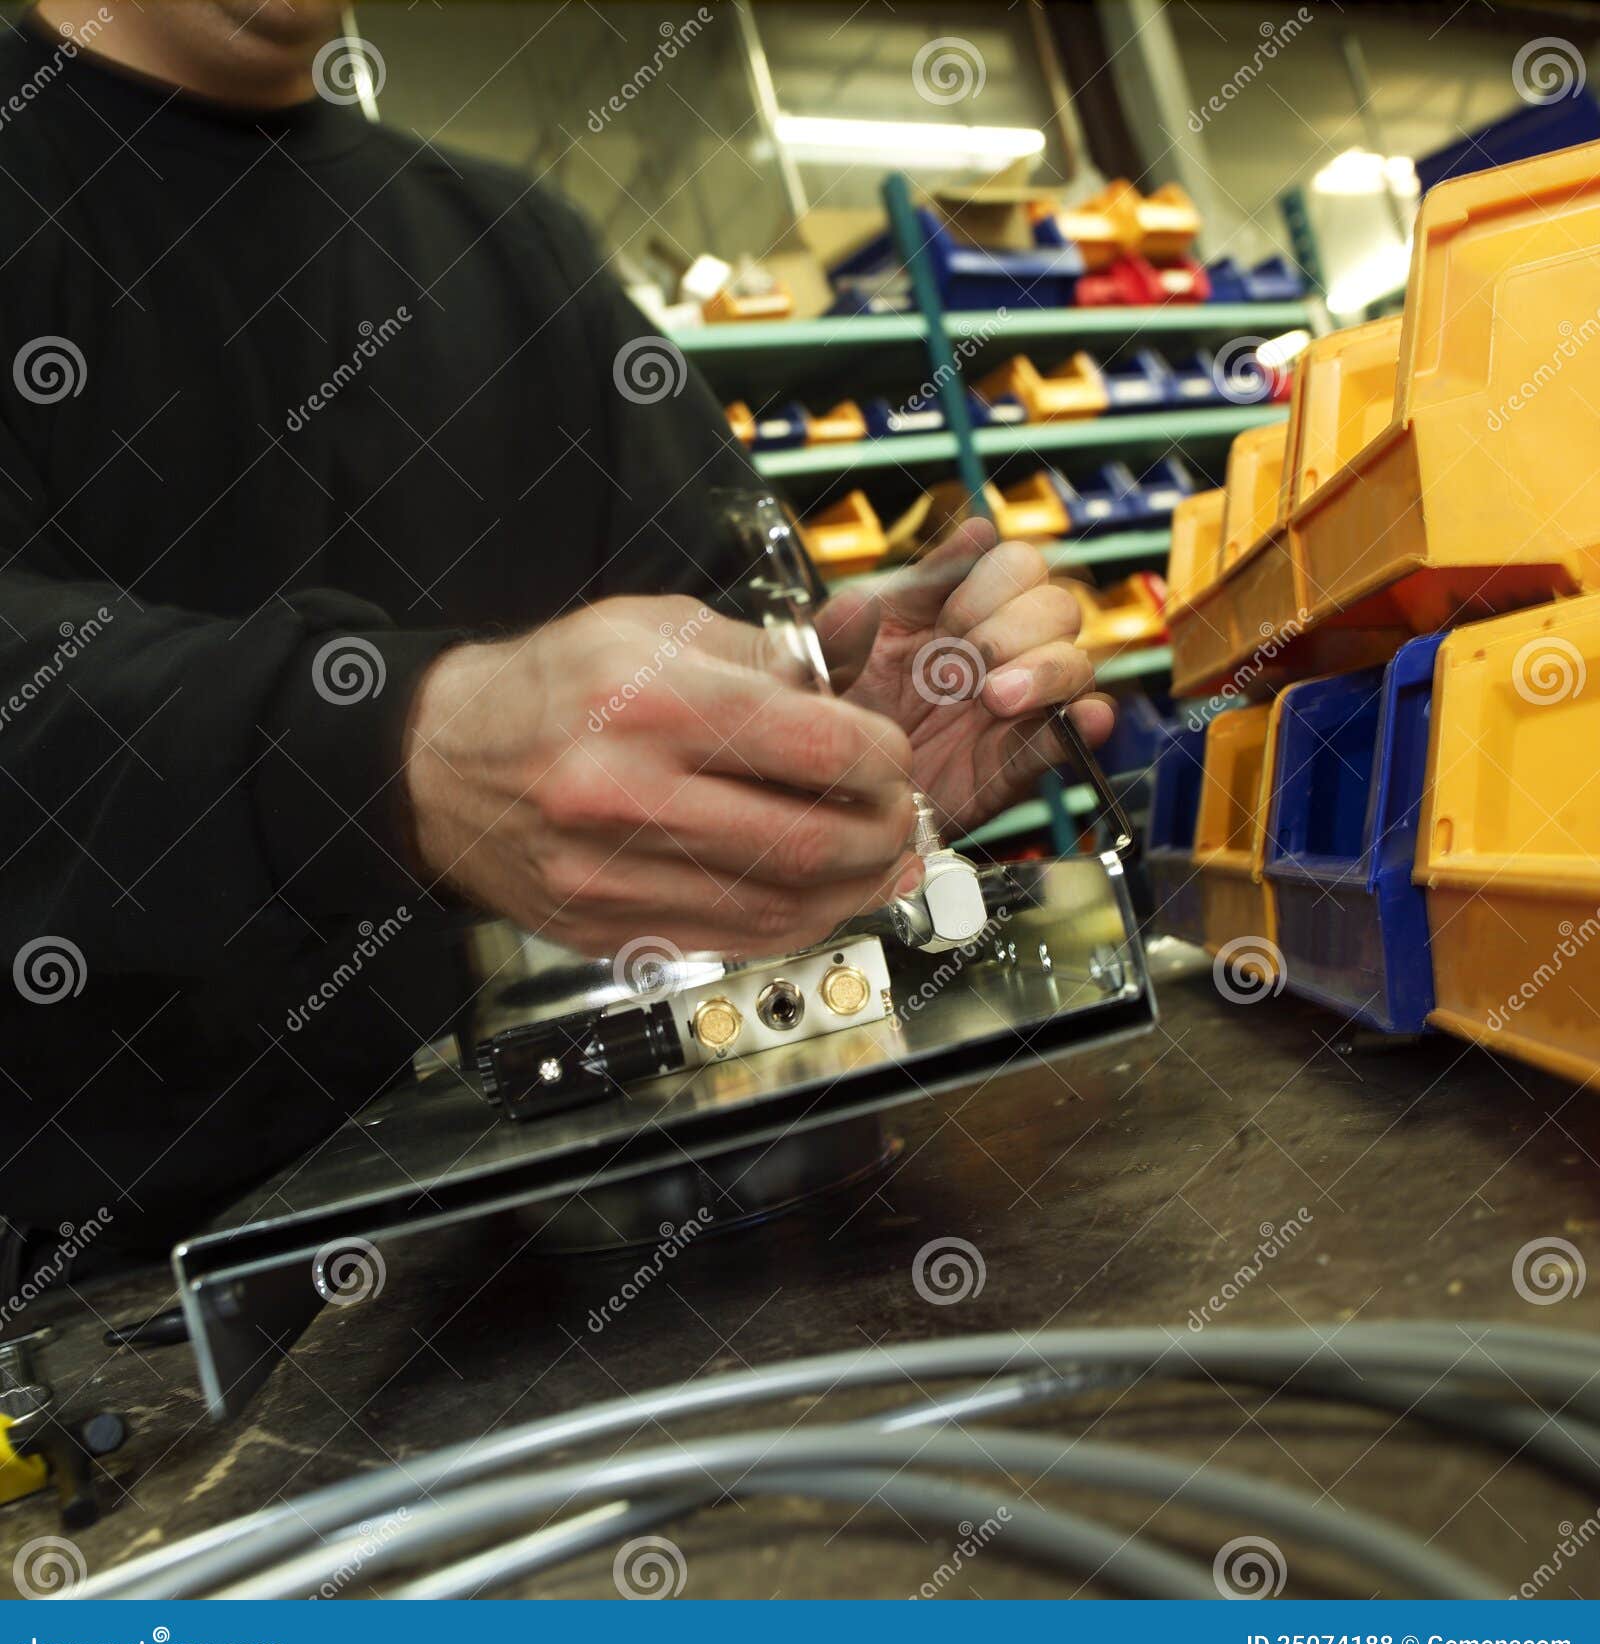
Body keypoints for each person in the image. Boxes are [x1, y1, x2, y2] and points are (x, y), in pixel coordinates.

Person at [0, 0, 1112, 1268]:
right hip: (107, 1300)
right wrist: (385, 749)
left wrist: (829, 767)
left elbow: (724, 624)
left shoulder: (514, 249)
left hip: (567, 1224)